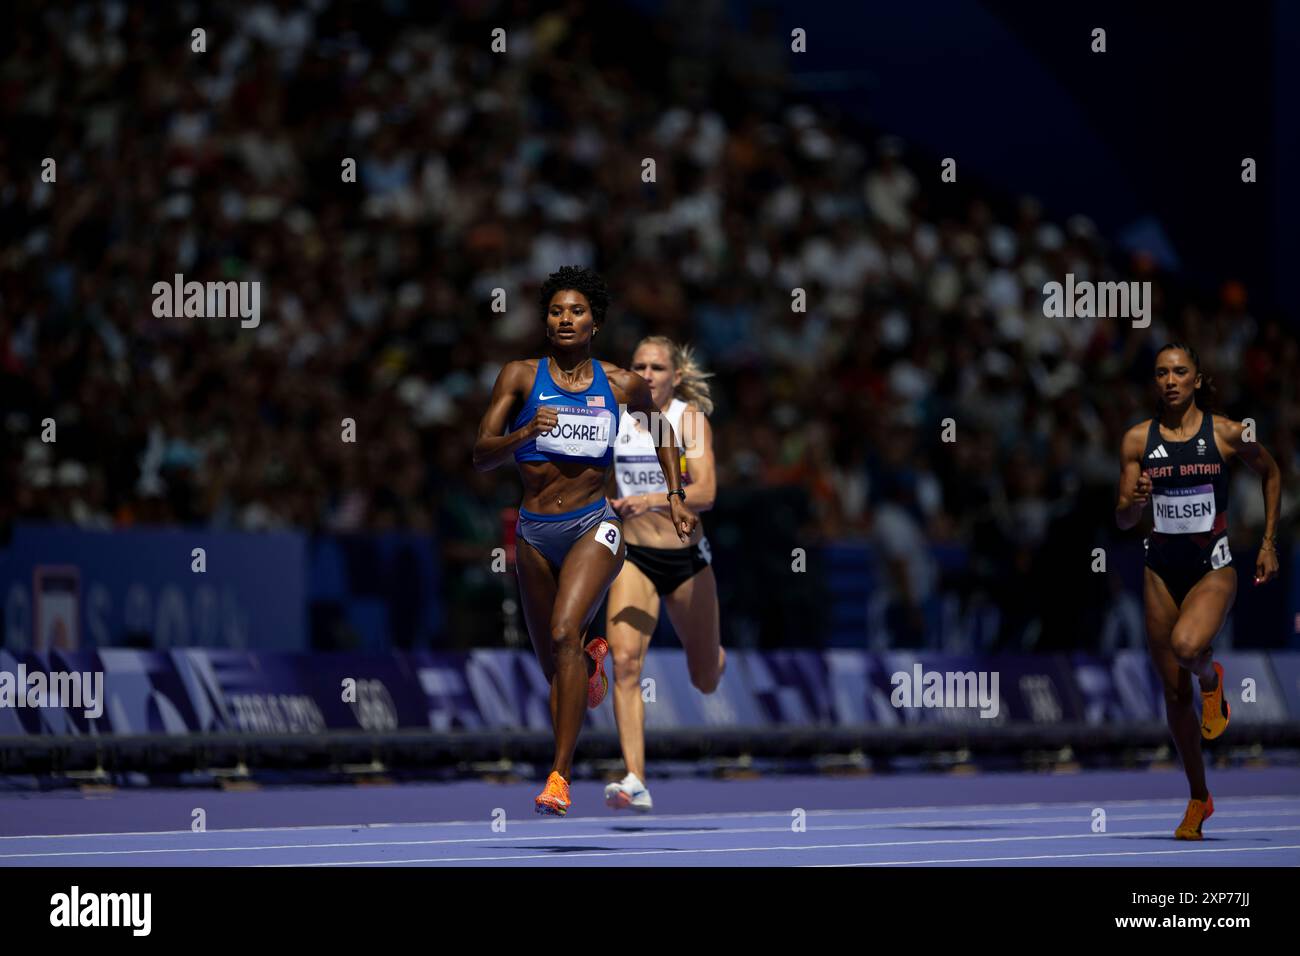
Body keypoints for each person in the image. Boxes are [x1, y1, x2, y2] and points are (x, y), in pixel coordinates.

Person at [473, 266, 697, 816]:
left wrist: (673, 493)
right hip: (533, 531)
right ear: (545, 321)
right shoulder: (520, 377)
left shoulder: (621, 383)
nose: (564, 319)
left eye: (575, 311)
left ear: (594, 322)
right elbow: (480, 455)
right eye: (555, 311)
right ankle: (588, 670)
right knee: (557, 663)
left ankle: (559, 775)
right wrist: (526, 432)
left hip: (594, 525)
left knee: (565, 630)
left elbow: (663, 428)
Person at [1115, 342, 1280, 839]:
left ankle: (1213, 679)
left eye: (1180, 371)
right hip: (1159, 570)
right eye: (1162, 372)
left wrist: (1269, 541)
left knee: (1188, 648)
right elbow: (1123, 519)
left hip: (1214, 566)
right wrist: (1135, 501)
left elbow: (1272, 473)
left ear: (1197, 379)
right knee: (1172, 693)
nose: (1170, 380)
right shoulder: (1136, 440)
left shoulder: (1229, 433)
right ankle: (1198, 799)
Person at [603, 337, 725, 812]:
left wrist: (653, 500)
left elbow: (708, 491)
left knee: (704, 679)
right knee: (626, 661)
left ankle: (715, 657)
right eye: (639, 366)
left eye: (657, 367)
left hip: (687, 560)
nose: (647, 374)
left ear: (675, 376)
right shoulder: (615, 420)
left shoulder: (687, 419)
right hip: (634, 556)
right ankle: (635, 778)